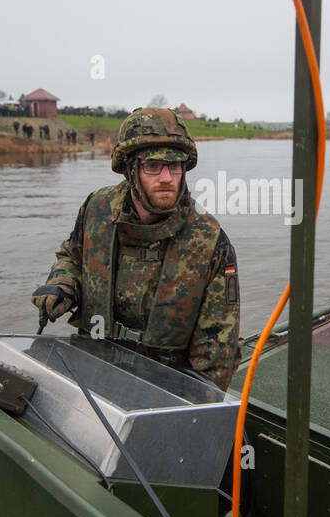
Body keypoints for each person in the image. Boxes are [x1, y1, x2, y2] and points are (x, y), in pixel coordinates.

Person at [32, 107, 241, 390]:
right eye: (152, 166)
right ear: (131, 170)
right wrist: (62, 283)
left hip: (162, 386)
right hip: (91, 364)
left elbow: (216, 356)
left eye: (175, 166)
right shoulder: (97, 208)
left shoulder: (210, 242)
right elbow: (73, 255)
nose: (166, 177)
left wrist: (191, 415)